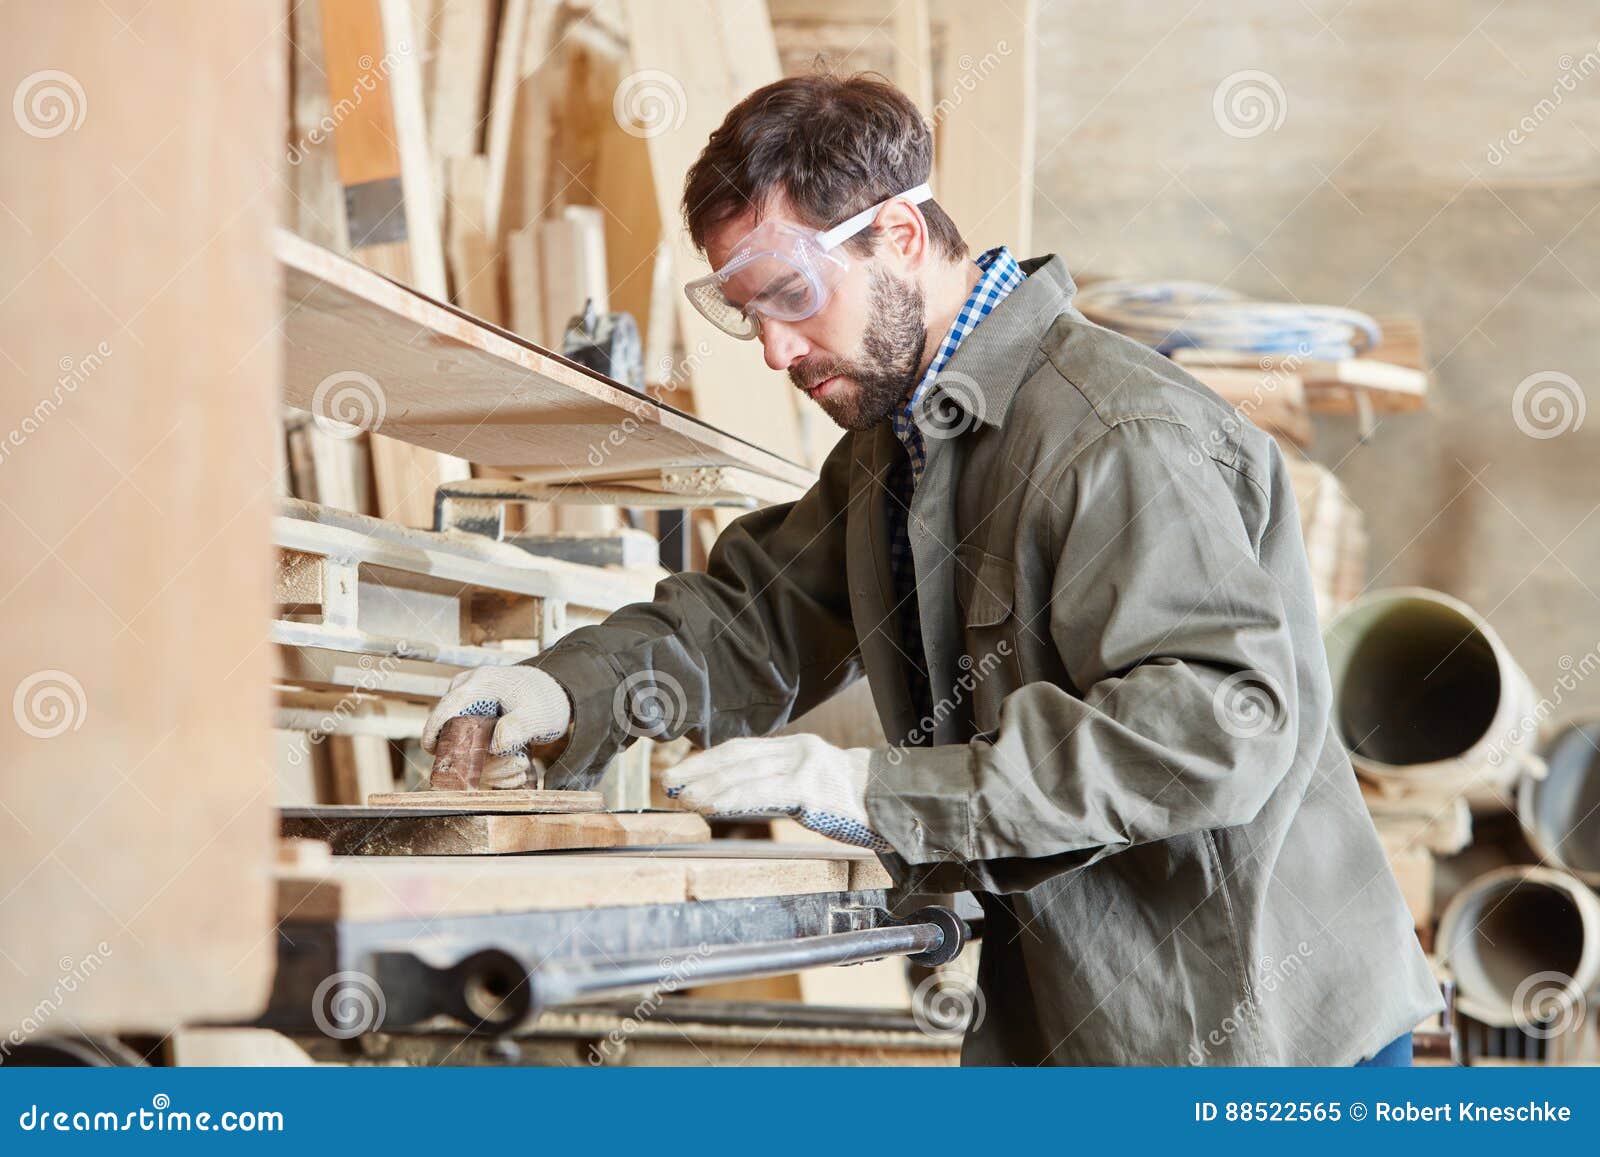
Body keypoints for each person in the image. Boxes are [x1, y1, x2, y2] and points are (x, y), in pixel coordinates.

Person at [421, 73, 1441, 1066]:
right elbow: (753, 616)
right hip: (1082, 1023)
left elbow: (1216, 721)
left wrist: (879, 787)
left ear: (899, 237)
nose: (775, 350)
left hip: (1245, 1034)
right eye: (747, 312)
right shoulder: (898, 441)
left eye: (791, 295)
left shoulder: (1114, 435)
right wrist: (561, 688)